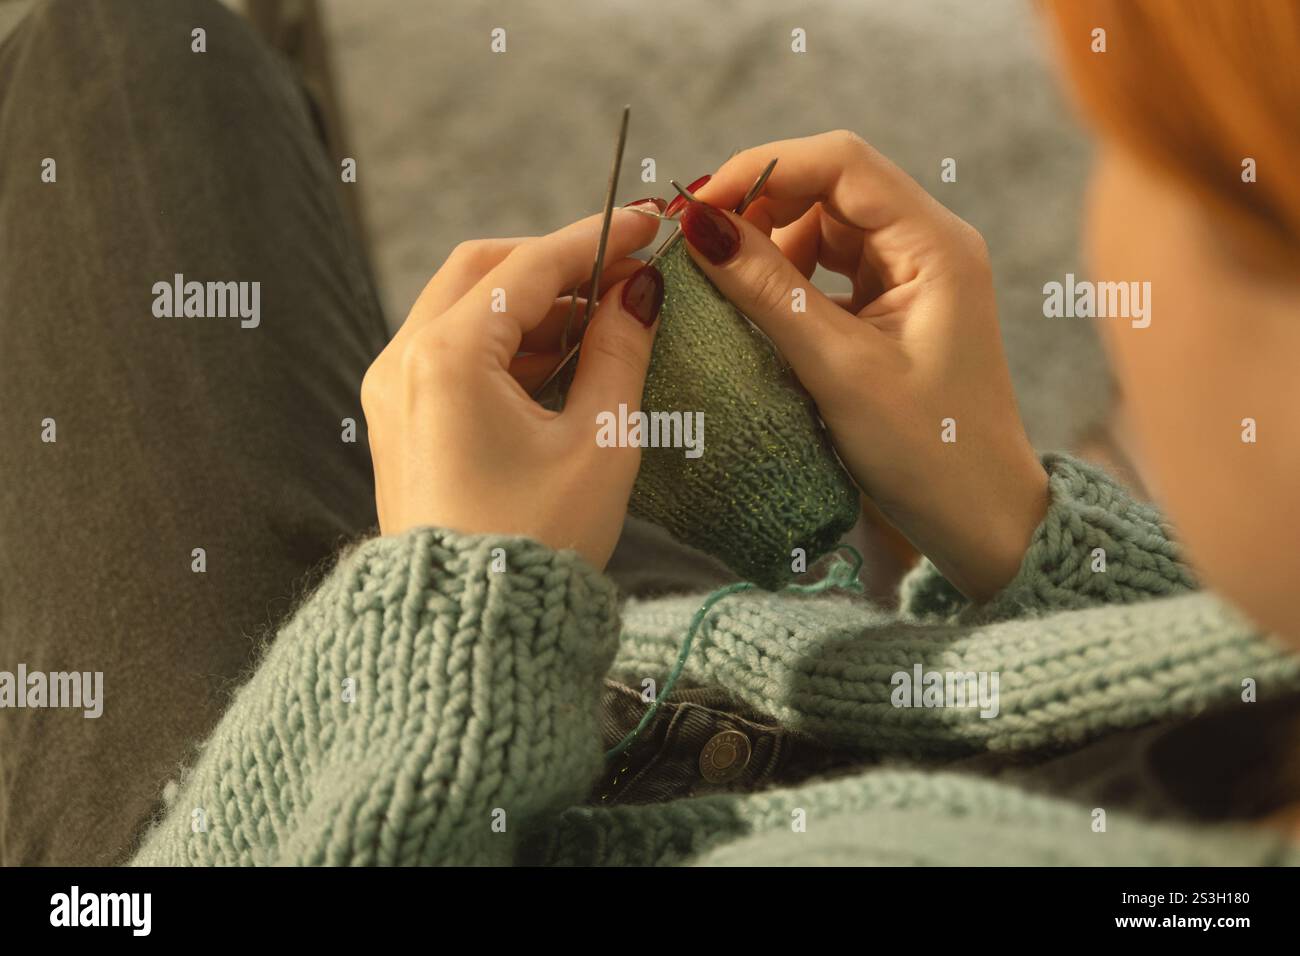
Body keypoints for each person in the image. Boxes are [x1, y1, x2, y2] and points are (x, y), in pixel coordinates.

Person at [1, 0, 1296, 866]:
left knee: (124, 59)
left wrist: (456, 605)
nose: (1109, 231)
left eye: (1147, 159)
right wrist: (1013, 529)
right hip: (751, 680)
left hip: (327, 800)